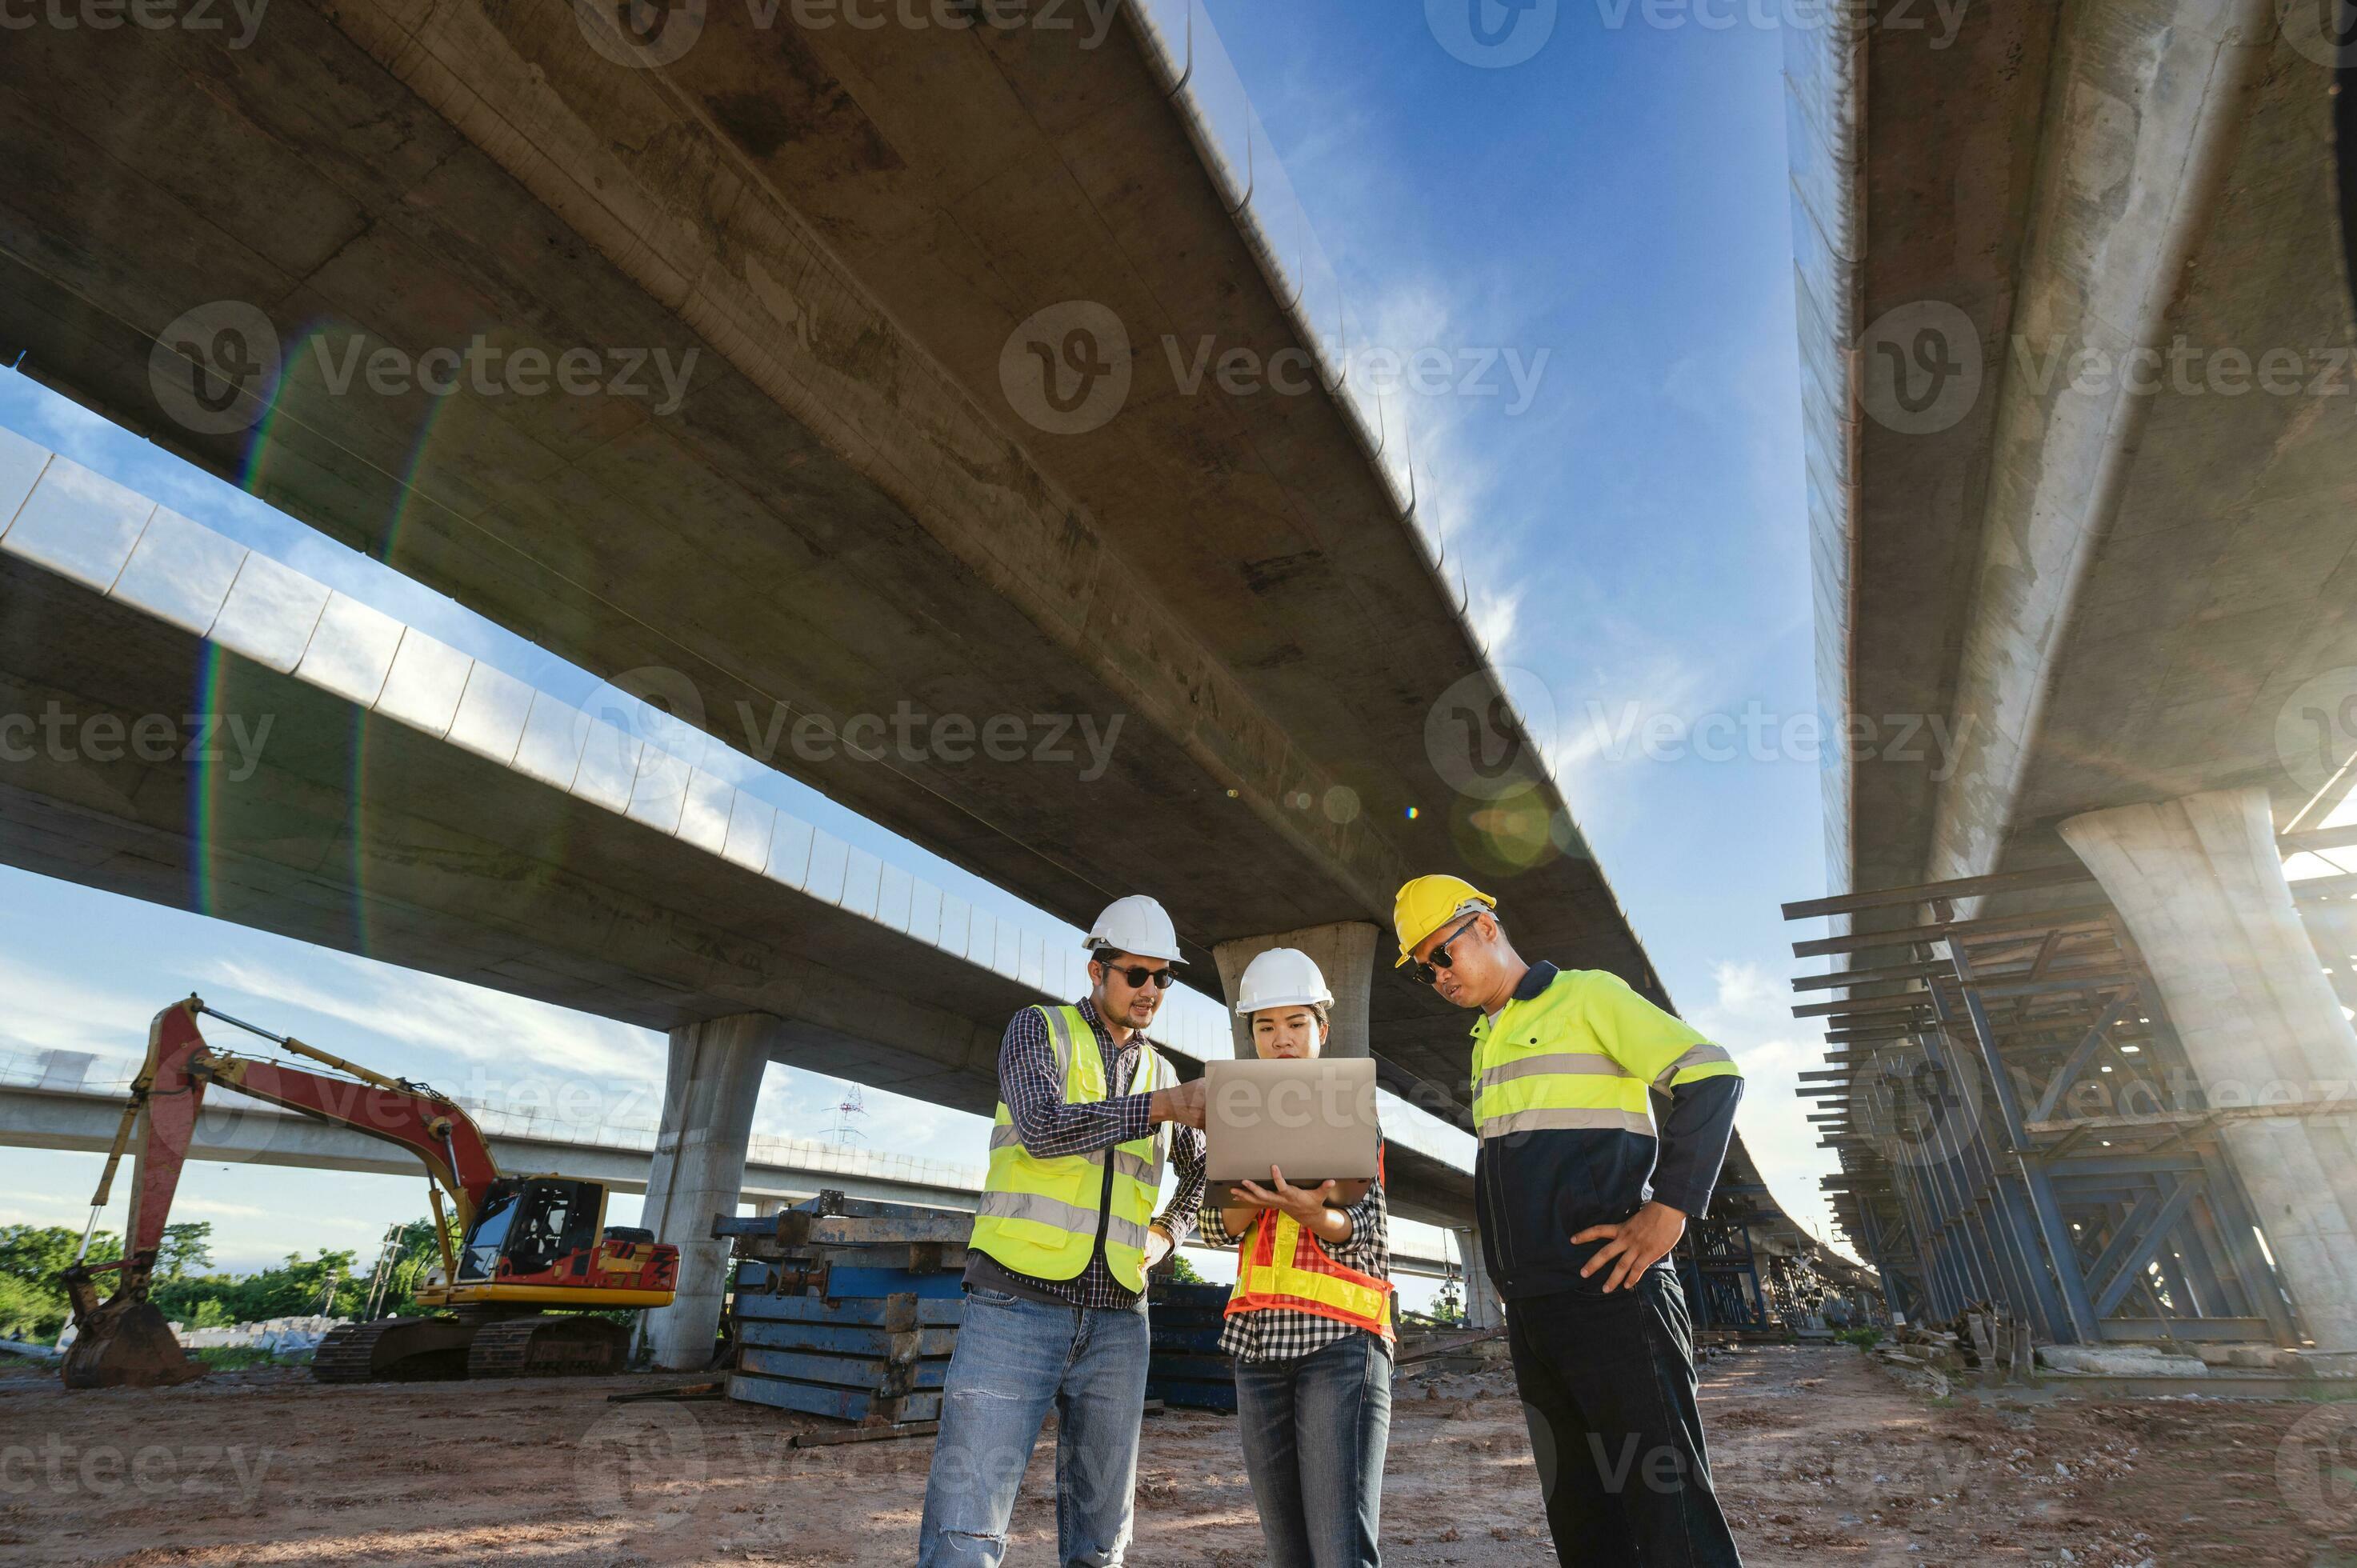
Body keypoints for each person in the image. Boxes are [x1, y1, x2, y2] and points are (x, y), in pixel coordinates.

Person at [1394, 874, 1746, 1567]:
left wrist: (1669, 1208)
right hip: (1535, 1311)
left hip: (1613, 1297)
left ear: (1486, 928)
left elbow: (1714, 1074)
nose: (1436, 975)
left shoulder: (1586, 995)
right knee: (1583, 1521)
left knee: (1668, 1515)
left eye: (1442, 954)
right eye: (1423, 968)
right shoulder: (1484, 1040)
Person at [918, 894, 1211, 1567]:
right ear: (1097, 970)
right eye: (1136, 974)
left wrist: (1168, 1234)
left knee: (1102, 1538)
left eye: (1163, 977)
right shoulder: (1036, 1030)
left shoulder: (1162, 1072)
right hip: (1015, 1308)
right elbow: (1045, 1128)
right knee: (967, 1528)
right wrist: (1161, 1107)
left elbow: (1199, 1176)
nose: (1151, 991)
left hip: (1117, 1321)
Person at [1197, 947, 1394, 1568]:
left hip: (1339, 1346)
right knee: (1289, 1554)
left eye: (1295, 1024)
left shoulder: (1349, 1106)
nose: (1280, 1040)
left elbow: (1366, 1227)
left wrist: (1315, 1215)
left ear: (1322, 1029)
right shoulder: (1235, 1114)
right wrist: (1253, 1202)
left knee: (1339, 1551)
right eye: (1264, 1025)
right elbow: (1213, 1227)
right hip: (1257, 1352)